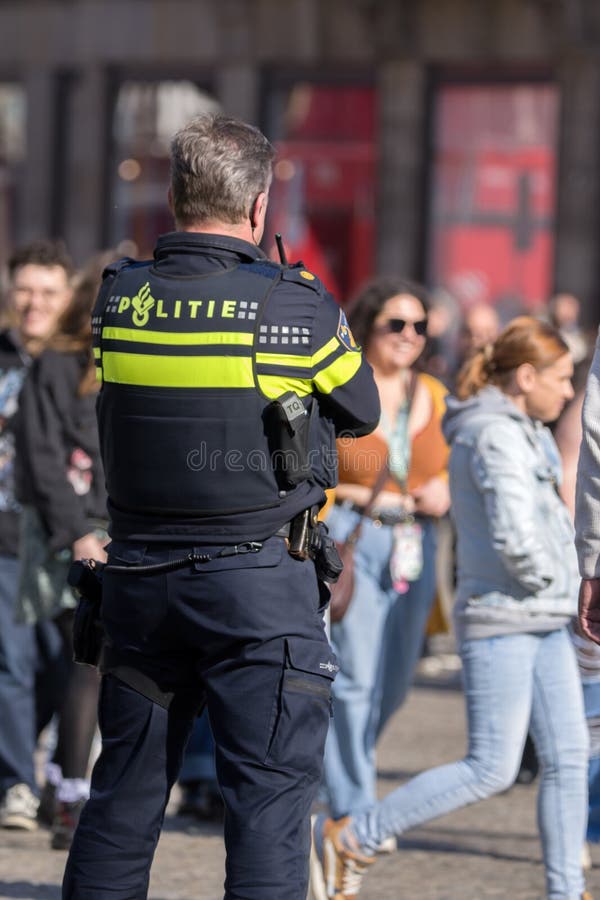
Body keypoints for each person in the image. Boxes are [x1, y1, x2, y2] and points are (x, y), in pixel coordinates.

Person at [62, 113, 380, 900]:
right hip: (259, 590)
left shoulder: (119, 298)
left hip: (139, 584)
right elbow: (363, 412)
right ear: (260, 204)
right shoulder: (296, 306)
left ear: (174, 196)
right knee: (267, 812)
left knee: (121, 804)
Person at [311, 316, 590, 900]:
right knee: (490, 766)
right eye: (562, 378)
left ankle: (566, 891)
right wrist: (560, 582)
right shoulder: (493, 434)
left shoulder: (528, 430)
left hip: (541, 615)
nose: (569, 392)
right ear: (526, 376)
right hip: (503, 618)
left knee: (568, 758)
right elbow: (515, 537)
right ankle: (356, 833)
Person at [321, 276, 450, 822]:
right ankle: (353, 809)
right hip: (356, 535)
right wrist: (350, 494)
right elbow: (313, 466)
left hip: (415, 542)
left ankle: (341, 770)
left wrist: (446, 485)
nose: (409, 335)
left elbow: (457, 461)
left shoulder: (436, 394)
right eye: (395, 323)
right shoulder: (342, 388)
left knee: (395, 682)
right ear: (366, 327)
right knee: (354, 679)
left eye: (419, 325)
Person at [15, 251, 112, 849]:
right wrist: (78, 533)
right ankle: (69, 793)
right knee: (75, 663)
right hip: (62, 537)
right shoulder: (56, 364)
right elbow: (41, 457)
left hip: (118, 533)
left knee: (77, 664)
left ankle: (60, 786)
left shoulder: (132, 364)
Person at [0, 240, 74, 831]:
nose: (35, 302)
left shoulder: (81, 365)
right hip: (5, 533)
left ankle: (42, 769)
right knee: (11, 662)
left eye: (48, 291)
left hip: (66, 535)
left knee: (61, 667)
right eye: (25, 288)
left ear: (68, 296)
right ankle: (16, 783)